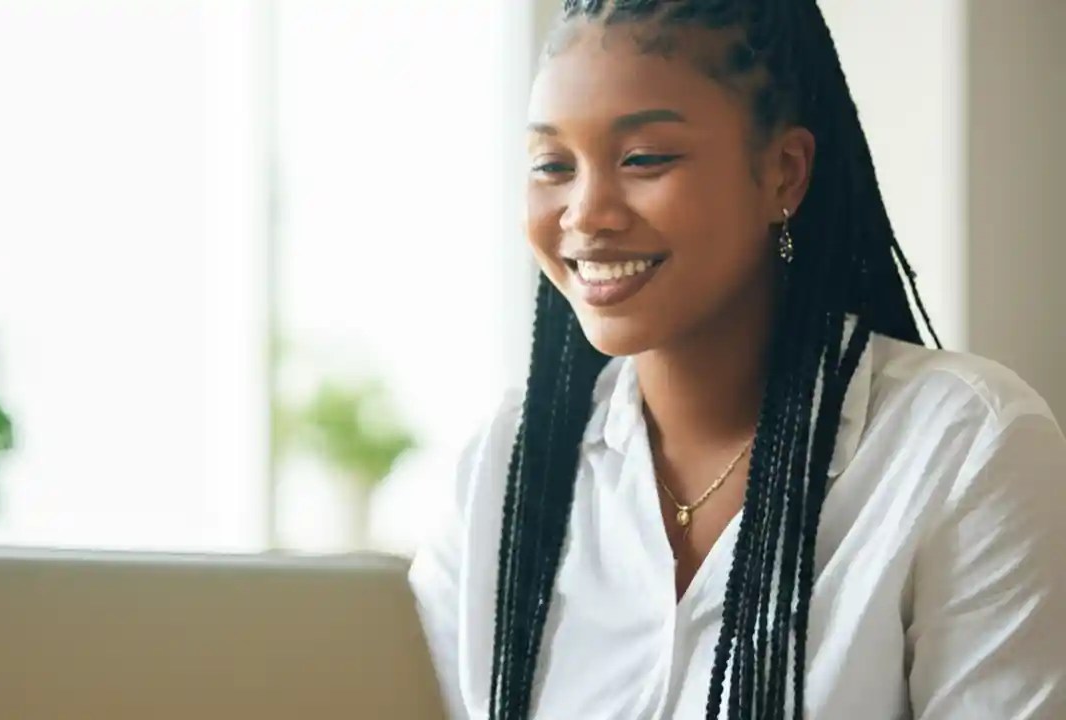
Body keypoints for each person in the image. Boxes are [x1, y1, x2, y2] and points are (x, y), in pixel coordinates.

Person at [407, 1, 1066, 718]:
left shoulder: (964, 447)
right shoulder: (503, 469)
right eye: (552, 165)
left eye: (643, 159)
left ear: (784, 173)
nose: (587, 212)